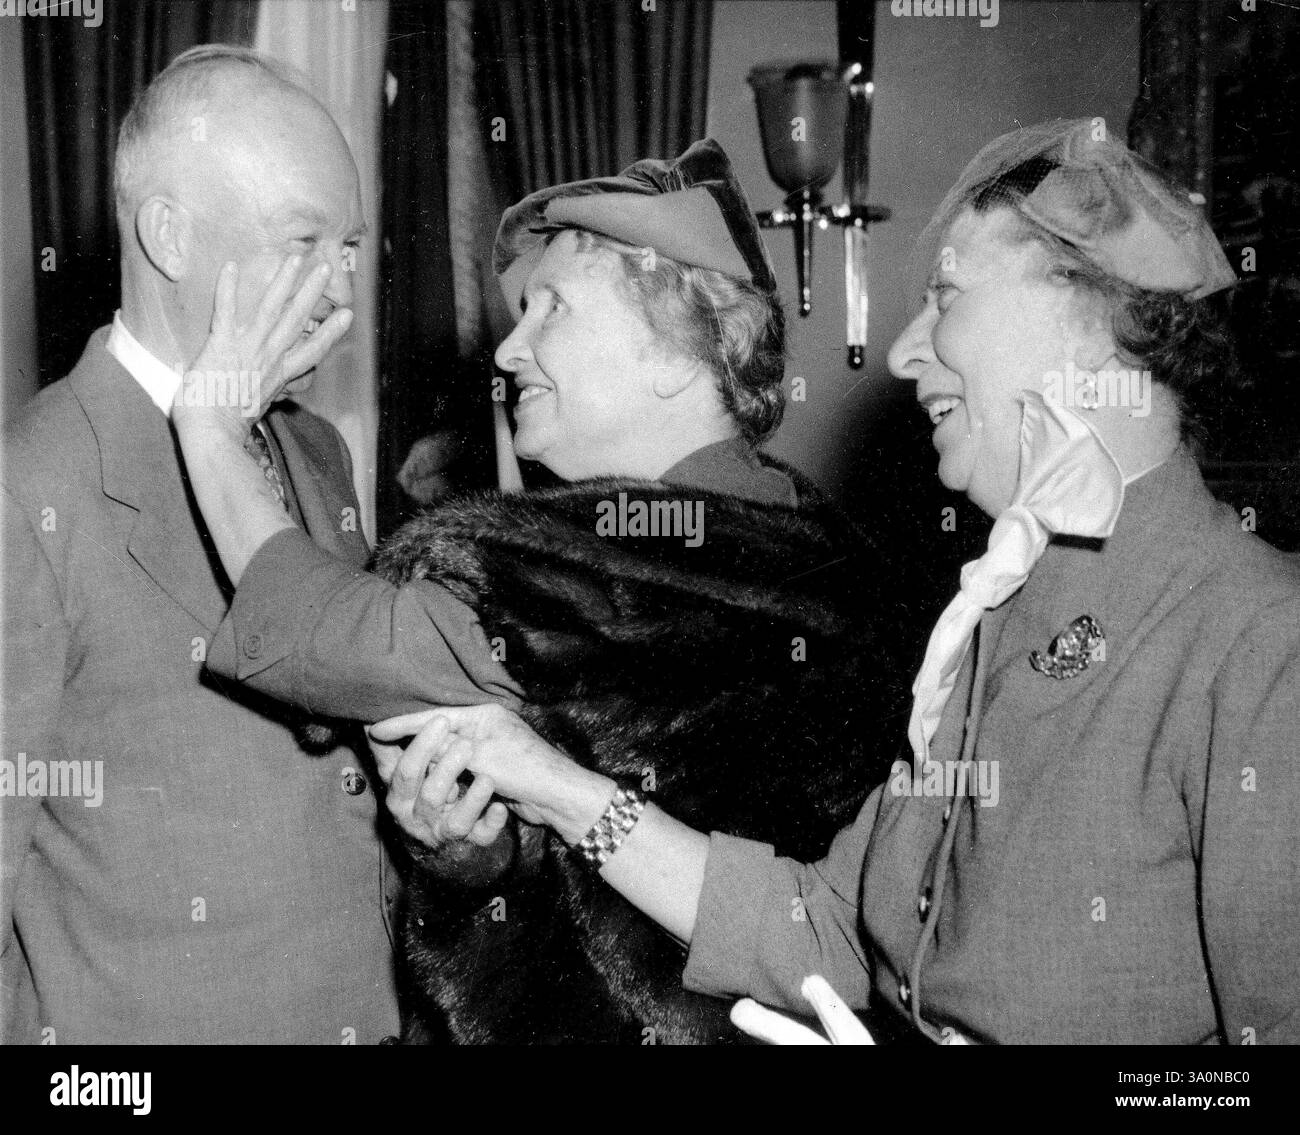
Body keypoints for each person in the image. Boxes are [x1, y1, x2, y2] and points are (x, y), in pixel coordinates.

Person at [373, 119, 1300, 1045]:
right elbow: (827, 923)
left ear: (1094, 325)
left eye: (948, 297)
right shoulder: (995, 613)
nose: (903, 353)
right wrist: (553, 787)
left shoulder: (1258, 644)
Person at [171, 138, 914, 1044]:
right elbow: (639, 840)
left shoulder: (594, 568)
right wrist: (475, 852)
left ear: (677, 358)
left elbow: (331, 642)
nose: (511, 349)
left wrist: (210, 423)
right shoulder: (810, 545)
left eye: (553, 309)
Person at [0, 46, 400, 1043]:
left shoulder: (313, 450)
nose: (339, 288)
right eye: (304, 238)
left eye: (349, 245)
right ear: (168, 234)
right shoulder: (29, 485)